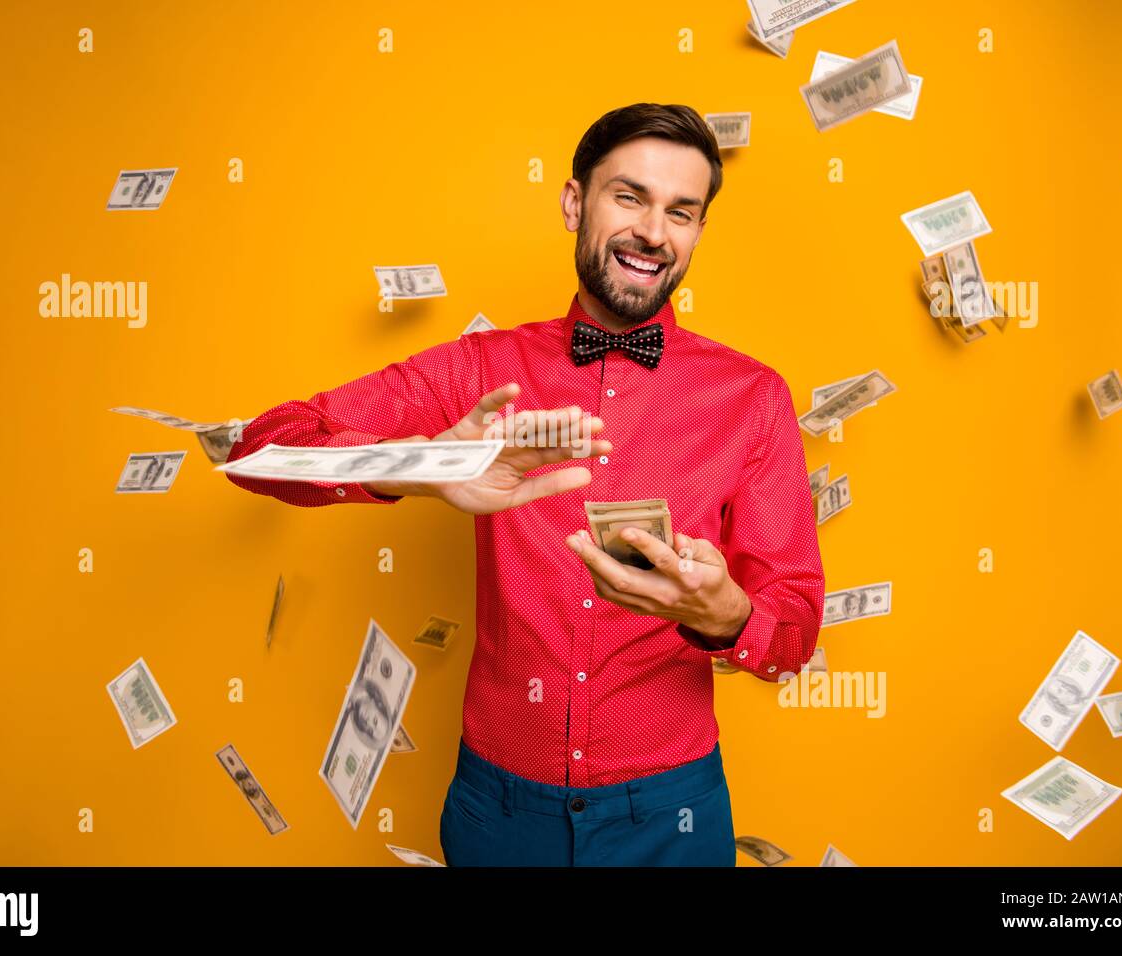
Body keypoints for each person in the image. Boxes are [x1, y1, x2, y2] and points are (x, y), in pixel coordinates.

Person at [224, 102, 825, 866]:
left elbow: (795, 636)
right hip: (498, 811)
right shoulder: (477, 372)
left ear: (699, 231)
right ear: (575, 202)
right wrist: (427, 466)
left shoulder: (752, 399)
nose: (653, 231)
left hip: (672, 812)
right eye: (629, 196)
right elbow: (262, 450)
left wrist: (727, 614)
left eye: (681, 211)